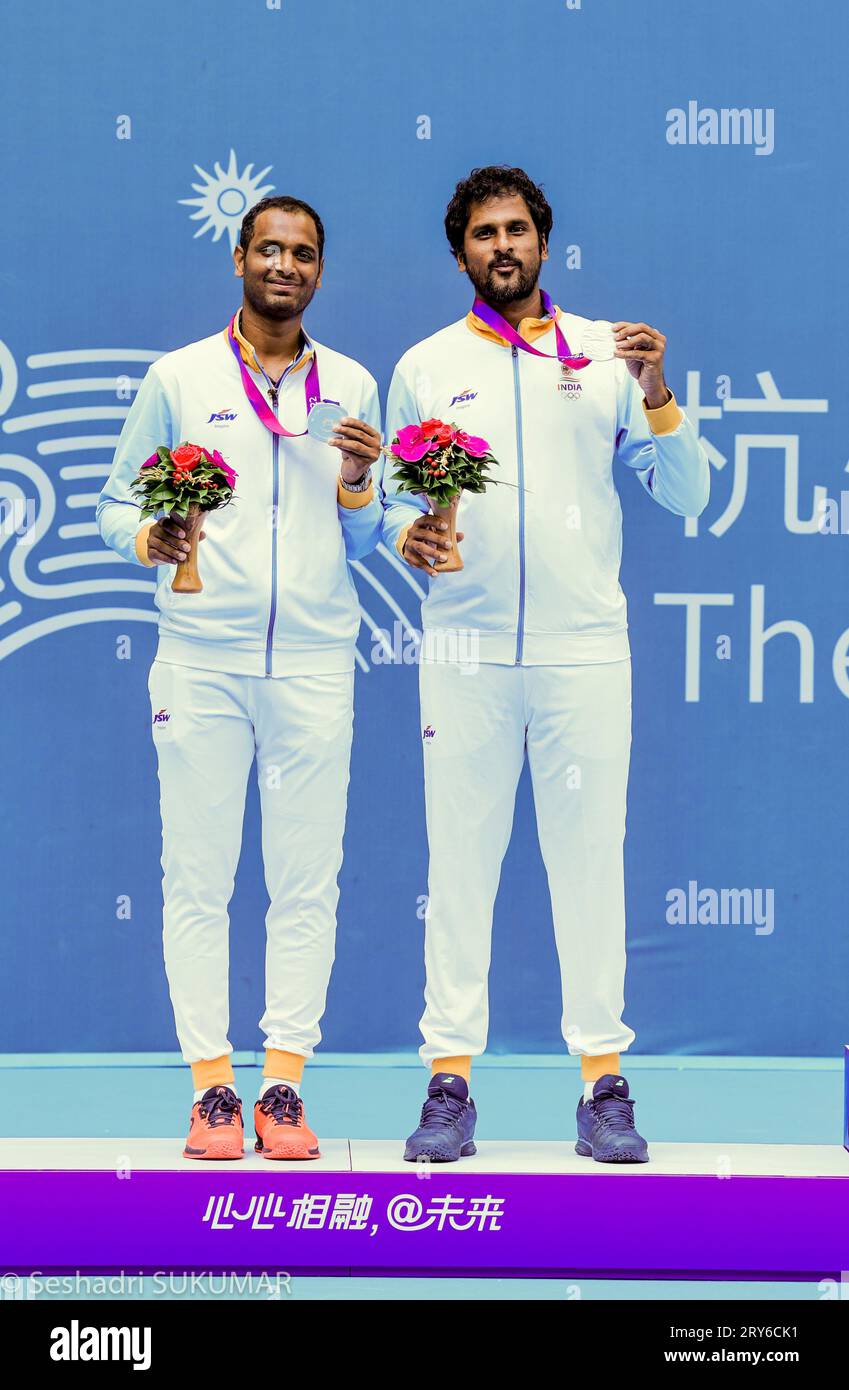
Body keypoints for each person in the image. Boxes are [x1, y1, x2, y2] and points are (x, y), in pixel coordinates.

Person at [380, 166, 710, 1164]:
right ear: (460, 255)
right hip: (465, 649)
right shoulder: (426, 365)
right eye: (484, 233)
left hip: (583, 650)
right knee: (459, 866)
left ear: (543, 241)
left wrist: (657, 394)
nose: (503, 246)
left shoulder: (609, 355)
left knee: (589, 865)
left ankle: (603, 1084)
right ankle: (449, 1084)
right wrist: (404, 536)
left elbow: (688, 495)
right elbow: (394, 504)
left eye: (516, 229)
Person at [97, 195, 382, 1161]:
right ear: (238, 258)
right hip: (201, 657)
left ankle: (285, 1083)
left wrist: (357, 484)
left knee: (306, 880)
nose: (284, 266)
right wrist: (148, 536)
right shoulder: (178, 377)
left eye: (302, 253)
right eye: (269, 249)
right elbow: (113, 501)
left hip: (313, 661)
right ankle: (213, 1089)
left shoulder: (352, 384)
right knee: (198, 877)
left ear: (319, 270)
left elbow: (363, 538)